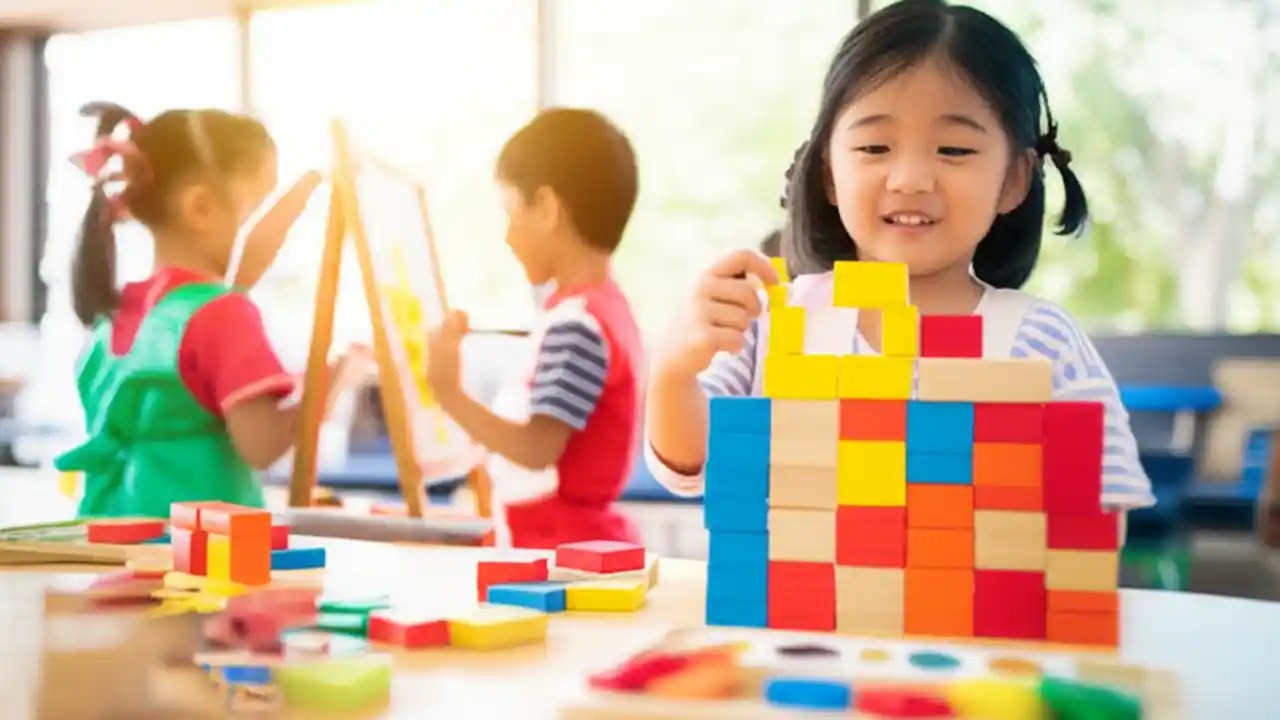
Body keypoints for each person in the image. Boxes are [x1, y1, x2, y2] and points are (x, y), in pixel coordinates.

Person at [644, 0, 1154, 521]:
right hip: (790, 604)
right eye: (874, 148)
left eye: (953, 150)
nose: (910, 178)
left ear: (1015, 180)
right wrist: (673, 371)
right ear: (827, 173)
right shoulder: (772, 323)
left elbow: (1102, 507)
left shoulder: (1042, 339)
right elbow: (694, 462)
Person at [54, 102, 354, 518]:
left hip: (107, 547)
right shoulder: (221, 315)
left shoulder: (116, 317)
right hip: (195, 565)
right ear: (201, 208)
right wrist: (333, 381)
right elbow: (262, 445)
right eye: (257, 209)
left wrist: (310, 184)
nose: (272, 235)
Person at [425, 108, 645, 548]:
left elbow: (537, 449)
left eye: (511, 211)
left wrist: (447, 391)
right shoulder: (598, 309)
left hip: (561, 550)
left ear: (546, 208)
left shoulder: (579, 323)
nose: (507, 236)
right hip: (561, 541)